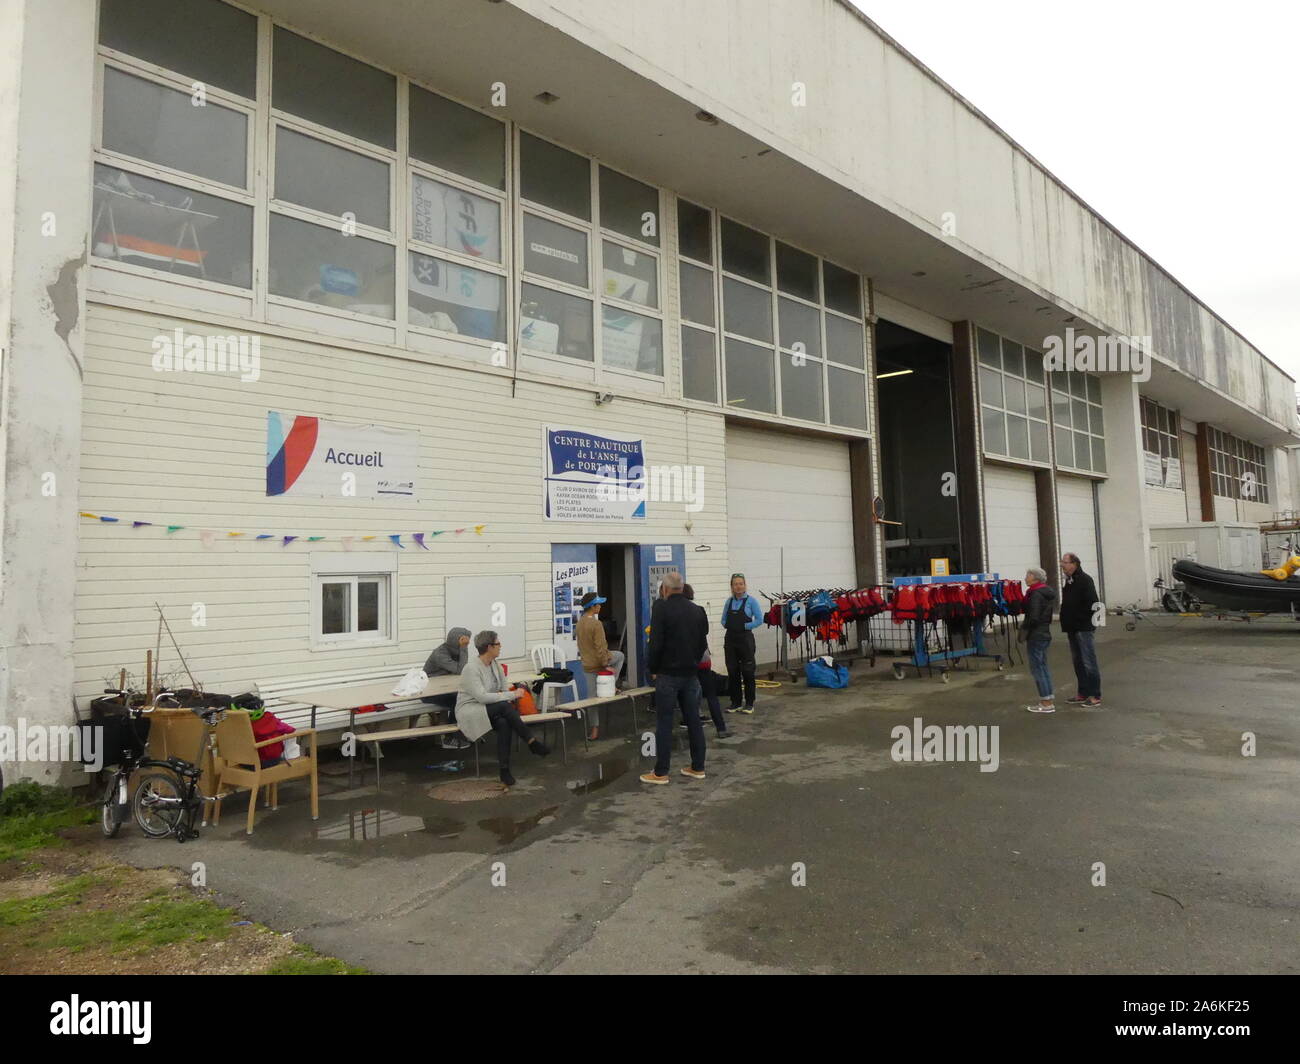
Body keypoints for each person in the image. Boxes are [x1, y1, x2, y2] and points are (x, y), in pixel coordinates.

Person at [456, 630, 550, 788]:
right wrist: (512, 695)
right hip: (470, 710)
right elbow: (482, 697)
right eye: (498, 644)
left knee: (504, 723)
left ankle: (504, 770)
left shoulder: (495, 664)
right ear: (489, 647)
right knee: (504, 706)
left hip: (489, 708)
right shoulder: (471, 668)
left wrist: (516, 690)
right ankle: (531, 741)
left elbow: (503, 687)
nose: (501, 646)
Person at [641, 572, 708, 784]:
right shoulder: (698, 611)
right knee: (693, 720)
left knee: (664, 721)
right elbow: (701, 644)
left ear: (665, 589)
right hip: (690, 673)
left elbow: (656, 642)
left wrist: (653, 667)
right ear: (682, 587)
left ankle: (661, 772)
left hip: (668, 674)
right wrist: (693, 662)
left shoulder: (661, 608)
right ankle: (698, 767)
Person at [576, 591, 626, 741]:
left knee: (592, 698)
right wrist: (606, 666)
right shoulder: (596, 624)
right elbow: (600, 647)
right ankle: (612, 685)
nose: (600, 606)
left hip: (587, 665)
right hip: (600, 662)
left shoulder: (580, 623)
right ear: (593, 606)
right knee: (620, 656)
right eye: (598, 604)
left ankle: (594, 730)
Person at [685, 583, 730, 737]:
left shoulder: (675, 612)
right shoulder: (700, 610)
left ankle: (691, 723)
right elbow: (706, 631)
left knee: (688, 693)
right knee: (711, 695)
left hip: (687, 660)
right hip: (703, 657)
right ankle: (721, 727)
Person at [1059, 552, 1102, 707]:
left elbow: (1093, 603)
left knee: (1089, 661)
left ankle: (1095, 695)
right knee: (1077, 661)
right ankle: (1082, 692)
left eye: (1064, 562)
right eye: (1062, 562)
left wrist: (1080, 619)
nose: (1062, 565)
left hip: (1083, 628)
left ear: (1074, 564)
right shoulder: (1069, 582)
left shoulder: (1085, 580)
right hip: (1072, 628)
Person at [719, 573, 763, 714]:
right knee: (733, 671)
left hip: (745, 640)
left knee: (748, 672)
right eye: (735, 584)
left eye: (741, 583)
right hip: (730, 640)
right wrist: (730, 626)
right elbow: (723, 620)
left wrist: (745, 626)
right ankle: (735, 702)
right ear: (731, 586)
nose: (738, 586)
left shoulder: (751, 601)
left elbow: (759, 620)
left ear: (745, 585)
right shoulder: (729, 602)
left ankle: (749, 703)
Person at [423, 626, 471, 748]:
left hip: (444, 688)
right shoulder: (440, 654)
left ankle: (462, 731)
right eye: (465, 641)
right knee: (458, 700)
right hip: (428, 693)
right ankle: (450, 738)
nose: (467, 644)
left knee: (466, 697)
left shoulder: (456, 651)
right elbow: (461, 669)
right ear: (457, 641)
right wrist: (464, 648)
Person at [1020, 567, 1058, 713]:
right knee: (1042, 666)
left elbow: (1034, 616)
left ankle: (1046, 702)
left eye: (1027, 575)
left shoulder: (1035, 594)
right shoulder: (1043, 592)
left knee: (1037, 668)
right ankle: (1048, 699)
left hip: (1036, 635)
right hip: (1044, 634)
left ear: (1035, 578)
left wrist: (1025, 627)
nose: (1025, 578)